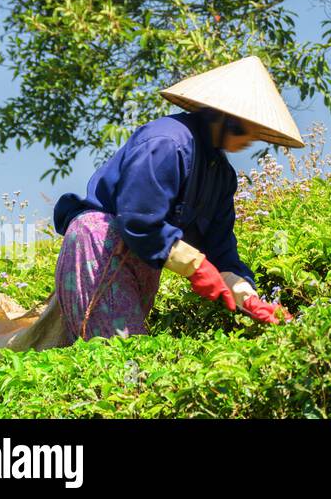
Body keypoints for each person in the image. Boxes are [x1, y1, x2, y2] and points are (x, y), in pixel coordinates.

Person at [51, 55, 303, 343]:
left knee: (128, 352)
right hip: (101, 247)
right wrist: (193, 265)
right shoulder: (167, 143)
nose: (249, 142)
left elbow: (221, 251)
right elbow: (138, 220)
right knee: (120, 359)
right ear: (226, 120)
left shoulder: (221, 176)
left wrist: (248, 297)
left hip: (142, 261)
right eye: (246, 130)